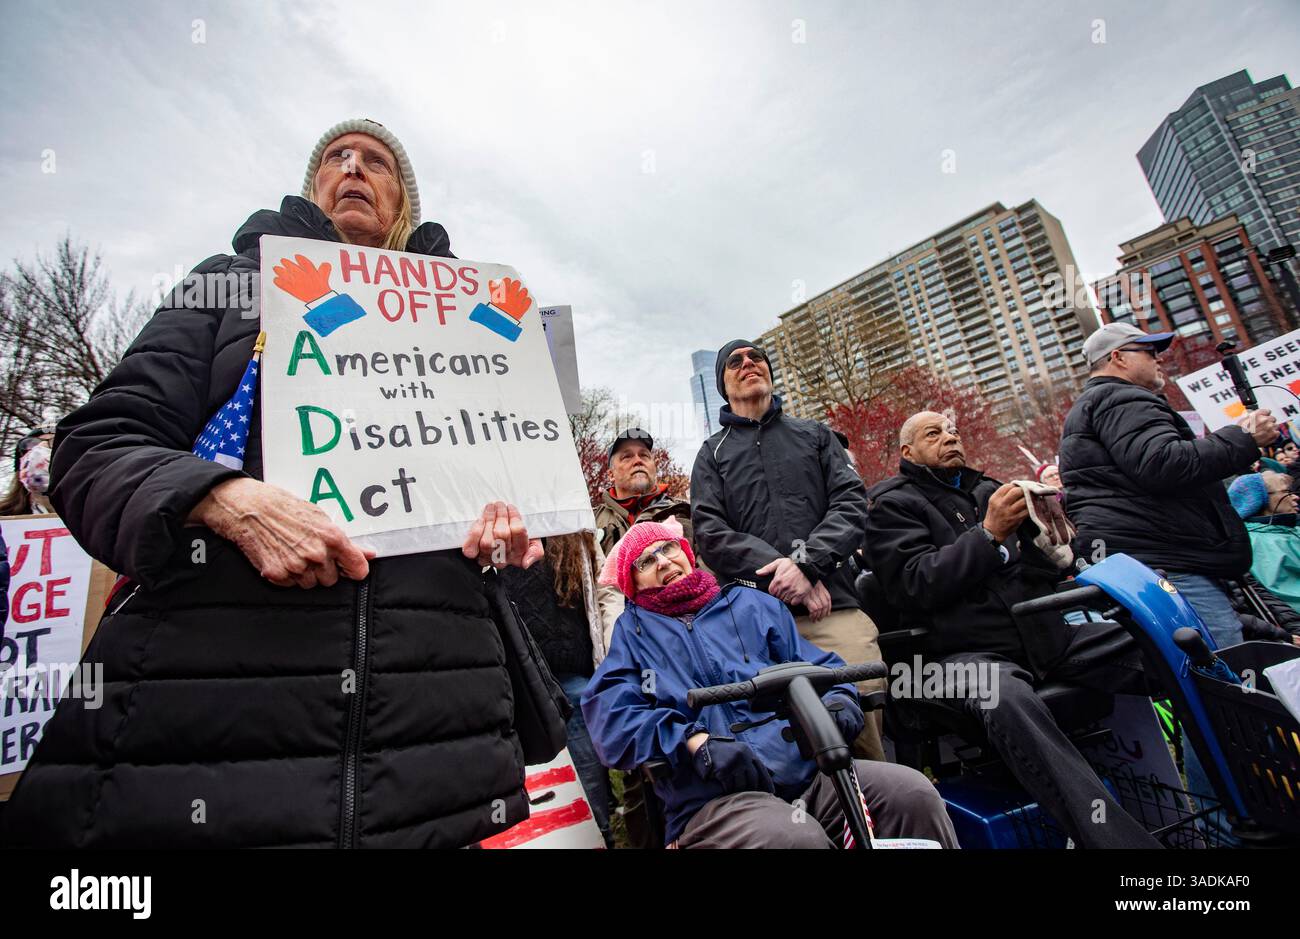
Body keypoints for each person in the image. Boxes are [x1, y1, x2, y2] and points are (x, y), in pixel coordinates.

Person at [2, 119, 556, 849]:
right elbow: (93, 448)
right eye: (336, 157)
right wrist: (217, 497)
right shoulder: (230, 286)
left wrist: (505, 528)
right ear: (315, 187)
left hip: (433, 744)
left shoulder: (465, 317)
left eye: (378, 162)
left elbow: (503, 481)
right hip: (202, 730)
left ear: (404, 202)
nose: (354, 166)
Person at [865, 410, 1160, 848]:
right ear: (907, 451)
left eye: (954, 430)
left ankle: (1244, 796)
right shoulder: (890, 504)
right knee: (1004, 695)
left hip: (1044, 638)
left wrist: (1052, 545)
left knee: (1160, 644)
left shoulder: (992, 489)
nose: (950, 437)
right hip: (959, 656)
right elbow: (915, 585)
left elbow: (1039, 575)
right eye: (935, 433)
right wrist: (988, 535)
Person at [582, 519, 959, 849]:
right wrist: (694, 743)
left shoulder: (752, 604)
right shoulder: (632, 637)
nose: (663, 560)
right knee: (793, 838)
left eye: (667, 548)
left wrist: (840, 702)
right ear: (633, 584)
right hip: (716, 801)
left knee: (912, 794)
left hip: (812, 776)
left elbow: (823, 668)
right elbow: (612, 723)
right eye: (646, 561)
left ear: (685, 551)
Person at [690, 340, 885, 760]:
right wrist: (788, 571)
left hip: (834, 613)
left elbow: (851, 503)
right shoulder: (711, 454)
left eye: (756, 357)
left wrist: (809, 565)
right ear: (723, 385)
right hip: (756, 627)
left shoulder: (815, 435)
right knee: (783, 748)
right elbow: (709, 533)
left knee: (862, 731)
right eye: (735, 362)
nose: (748, 364)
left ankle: (881, 822)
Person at [1059, 322, 1277, 650]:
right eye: (1149, 351)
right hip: (1169, 562)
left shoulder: (1098, 403)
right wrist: (1242, 438)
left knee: (1196, 671)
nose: (1159, 358)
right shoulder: (1122, 398)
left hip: (1149, 559)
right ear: (1118, 357)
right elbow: (1163, 464)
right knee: (1222, 668)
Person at [501, 532, 623, 846]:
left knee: (588, 785)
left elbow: (603, 590)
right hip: (514, 684)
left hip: (573, 678)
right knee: (531, 791)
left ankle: (600, 836)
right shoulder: (490, 528)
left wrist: (611, 658)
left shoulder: (573, 530)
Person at [593, 427, 692, 552]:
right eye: (627, 457)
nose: (638, 461)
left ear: (654, 467)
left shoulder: (686, 511)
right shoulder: (590, 521)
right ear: (611, 474)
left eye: (644, 455)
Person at [1228, 471, 1300, 618]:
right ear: (1260, 499)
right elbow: (1286, 595)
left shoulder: (1287, 530)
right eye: (1287, 492)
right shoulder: (1257, 542)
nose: (1295, 497)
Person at [0, 429, 57, 516]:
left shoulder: (84, 518)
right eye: (32, 444)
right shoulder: (3, 519)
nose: (40, 449)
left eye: (55, 443)